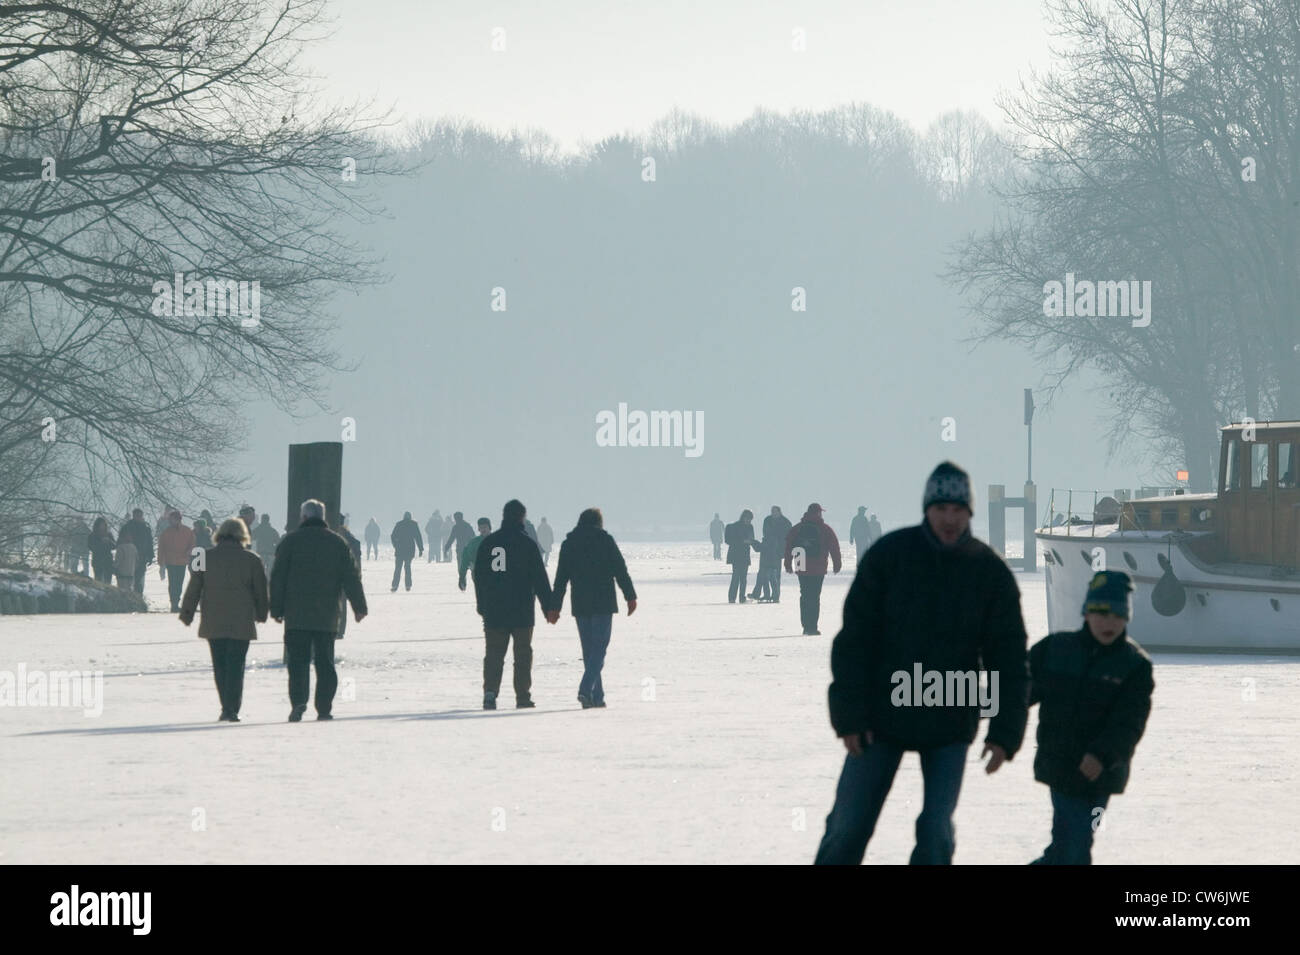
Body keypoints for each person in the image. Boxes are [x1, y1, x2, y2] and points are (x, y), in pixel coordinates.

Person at [814, 461, 1029, 865]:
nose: (949, 519)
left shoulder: (988, 572)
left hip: (950, 721)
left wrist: (1005, 730)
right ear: (927, 509)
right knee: (847, 827)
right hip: (879, 719)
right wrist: (849, 716)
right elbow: (854, 643)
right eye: (941, 509)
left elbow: (1009, 657)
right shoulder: (890, 557)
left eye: (958, 510)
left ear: (970, 513)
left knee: (936, 835)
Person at [1028, 571, 1154, 865]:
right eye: (1100, 612)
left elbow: (1129, 722)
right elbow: (1016, 689)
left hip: (1101, 773)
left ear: (1126, 618)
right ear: (1086, 612)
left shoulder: (1134, 666)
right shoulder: (1055, 649)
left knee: (1067, 848)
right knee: (1074, 847)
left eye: (1117, 614)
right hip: (1061, 766)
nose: (1108, 621)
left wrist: (1102, 754)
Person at [269, 499, 368, 722]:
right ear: (323, 518)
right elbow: (351, 577)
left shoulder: (290, 541)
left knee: (298, 662)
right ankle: (324, 707)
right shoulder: (337, 543)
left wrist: (276, 607)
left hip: (296, 614)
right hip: (327, 612)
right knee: (325, 661)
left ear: (303, 517)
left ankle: (298, 702)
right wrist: (359, 606)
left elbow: (278, 577)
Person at [178, 517, 269, 722]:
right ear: (242, 535)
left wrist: (187, 613)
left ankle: (225, 706)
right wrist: (262, 613)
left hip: (213, 620)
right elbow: (261, 591)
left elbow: (194, 587)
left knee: (220, 665)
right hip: (241, 621)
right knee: (236, 666)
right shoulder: (253, 559)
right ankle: (232, 708)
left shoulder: (203, 557)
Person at [549, 508, 637, 708]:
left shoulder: (569, 543)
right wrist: (630, 596)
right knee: (598, 648)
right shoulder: (605, 541)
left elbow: (561, 578)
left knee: (590, 651)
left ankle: (596, 697)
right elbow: (620, 570)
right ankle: (586, 688)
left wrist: (555, 606)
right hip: (603, 602)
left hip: (580, 603)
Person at [472, 499, 554, 710]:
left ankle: (490, 692)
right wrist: (549, 607)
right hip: (522, 610)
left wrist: (481, 603)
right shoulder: (527, 544)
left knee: (494, 654)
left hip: (494, 609)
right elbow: (540, 579)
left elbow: (479, 576)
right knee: (523, 654)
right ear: (522, 517)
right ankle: (523, 696)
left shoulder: (489, 543)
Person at [784, 503, 842, 635]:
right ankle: (812, 627)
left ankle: (805, 625)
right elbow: (834, 547)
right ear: (819, 513)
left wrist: (788, 564)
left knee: (804, 594)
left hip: (801, 564)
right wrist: (837, 564)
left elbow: (788, 546)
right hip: (818, 566)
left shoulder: (797, 528)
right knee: (814, 596)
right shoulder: (825, 529)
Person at [157, 508, 197, 613]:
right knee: (172, 583)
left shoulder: (187, 531)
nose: (169, 521)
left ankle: (176, 602)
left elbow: (192, 544)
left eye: (171, 519)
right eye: (169, 520)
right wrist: (161, 563)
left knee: (178, 583)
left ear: (177, 519)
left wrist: (189, 552)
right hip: (170, 562)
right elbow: (161, 548)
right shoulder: (166, 533)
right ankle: (174, 603)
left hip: (182, 561)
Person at [752, 506, 792, 602]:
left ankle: (775, 596)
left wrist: (784, 550)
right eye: (772, 511)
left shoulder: (785, 522)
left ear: (779, 512)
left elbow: (788, 537)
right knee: (763, 573)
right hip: (767, 549)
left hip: (777, 551)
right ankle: (766, 595)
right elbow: (765, 533)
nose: (773, 513)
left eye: (775, 511)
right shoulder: (767, 520)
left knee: (775, 575)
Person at [724, 509, 760, 603]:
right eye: (747, 518)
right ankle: (732, 597)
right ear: (743, 517)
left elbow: (752, 539)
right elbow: (730, 540)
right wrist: (743, 541)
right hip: (737, 554)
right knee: (736, 576)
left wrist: (753, 542)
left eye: (750, 519)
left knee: (743, 577)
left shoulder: (750, 527)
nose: (749, 521)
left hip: (743, 554)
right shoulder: (734, 526)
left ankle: (741, 597)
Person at [118, 508, 154, 595]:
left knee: (139, 579)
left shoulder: (146, 529)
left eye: (140, 515)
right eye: (137, 515)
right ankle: (129, 597)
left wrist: (150, 556)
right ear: (133, 516)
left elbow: (149, 543)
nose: (138, 517)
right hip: (128, 558)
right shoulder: (126, 528)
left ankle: (138, 596)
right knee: (128, 579)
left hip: (142, 557)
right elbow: (120, 543)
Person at [390, 510, 424, 592]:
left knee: (398, 568)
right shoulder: (414, 524)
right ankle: (408, 585)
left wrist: (395, 544)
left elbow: (393, 536)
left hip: (400, 549)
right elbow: (418, 537)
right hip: (410, 549)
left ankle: (395, 585)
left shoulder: (399, 524)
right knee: (407, 567)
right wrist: (420, 549)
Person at [458, 517, 492, 591]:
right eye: (481, 528)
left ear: (490, 527)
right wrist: (462, 577)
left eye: (485, 527)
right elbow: (465, 560)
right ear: (478, 529)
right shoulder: (473, 543)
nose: (483, 530)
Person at [88, 517, 115, 583]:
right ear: (97, 525)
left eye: (103, 524)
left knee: (107, 581)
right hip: (97, 560)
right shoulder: (93, 535)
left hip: (108, 561)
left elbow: (114, 546)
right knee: (98, 581)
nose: (102, 526)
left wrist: (109, 541)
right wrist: (100, 543)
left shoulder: (109, 534)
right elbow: (91, 546)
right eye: (101, 524)